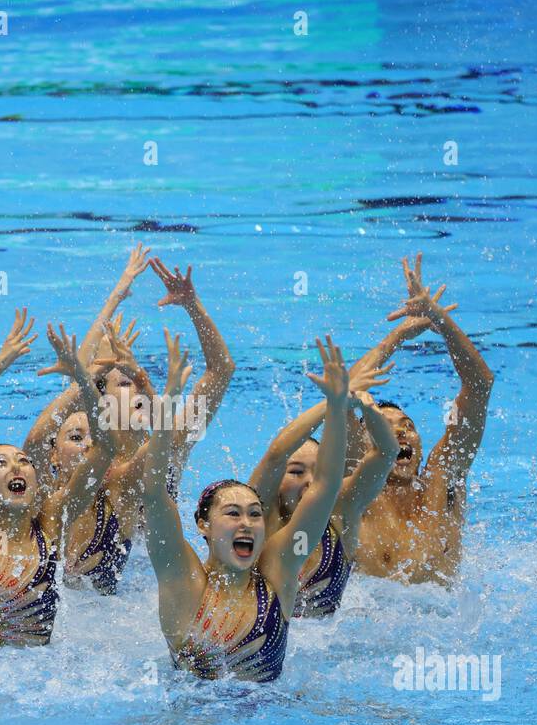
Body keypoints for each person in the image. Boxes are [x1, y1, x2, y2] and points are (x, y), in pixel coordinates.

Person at [142, 330, 351, 683]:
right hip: (195, 722)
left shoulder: (277, 573)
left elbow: (326, 488)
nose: (248, 523)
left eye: (255, 513)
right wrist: (168, 405)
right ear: (203, 525)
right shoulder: (183, 579)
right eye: (233, 513)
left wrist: (336, 408)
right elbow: (154, 493)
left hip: (274, 719)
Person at [24, 247, 234, 594]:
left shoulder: (173, 443)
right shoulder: (74, 452)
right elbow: (80, 381)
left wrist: (193, 308)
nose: (138, 386)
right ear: (101, 400)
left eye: (141, 379)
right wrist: (117, 295)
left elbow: (221, 370)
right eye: (126, 382)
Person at [0, 310, 116, 647]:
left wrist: (82, 377)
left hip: (40, 678)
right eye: (1, 463)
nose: (17, 467)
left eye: (23, 461)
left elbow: (105, 448)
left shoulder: (51, 524)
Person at [350, 254, 495, 585]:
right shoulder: (352, 491)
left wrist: (439, 319)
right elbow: (343, 395)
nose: (401, 435)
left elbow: (480, 385)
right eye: (384, 429)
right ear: (362, 444)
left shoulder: (442, 480)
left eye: (408, 428)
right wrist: (394, 338)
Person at [247, 361, 400, 617]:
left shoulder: (342, 511)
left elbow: (387, 453)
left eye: (318, 473)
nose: (309, 482)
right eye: (296, 472)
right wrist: (334, 402)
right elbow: (276, 455)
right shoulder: (259, 517)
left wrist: (368, 410)